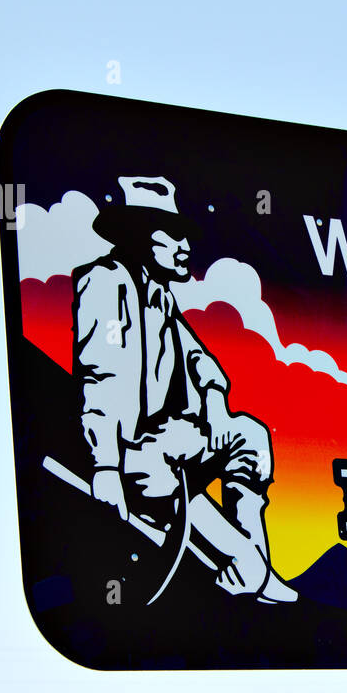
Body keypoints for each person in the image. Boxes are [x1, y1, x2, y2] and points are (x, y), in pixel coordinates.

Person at [72, 175, 297, 603]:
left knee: (249, 435)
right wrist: (104, 467)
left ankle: (255, 567)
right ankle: (248, 568)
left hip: (172, 436)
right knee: (163, 470)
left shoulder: (161, 296)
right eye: (172, 235)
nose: (185, 247)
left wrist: (214, 404)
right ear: (139, 237)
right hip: (131, 451)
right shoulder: (106, 284)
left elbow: (201, 360)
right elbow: (98, 377)